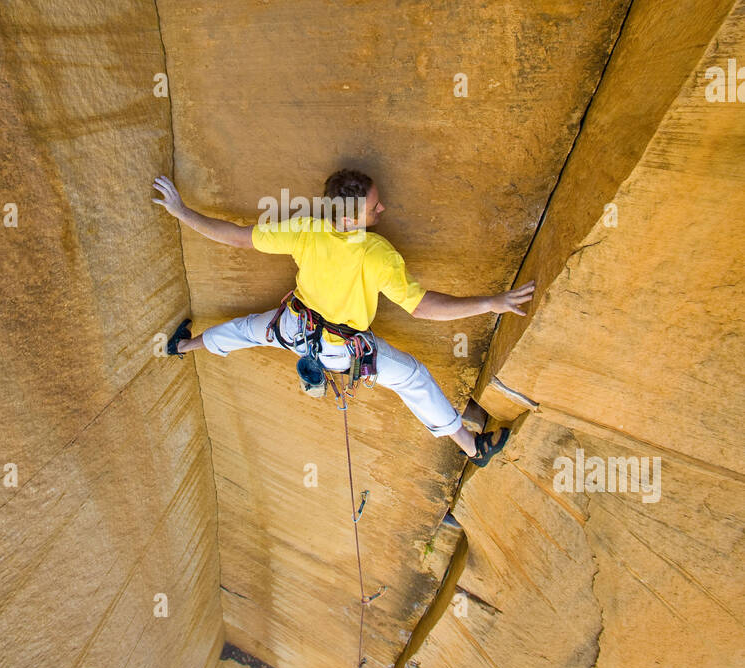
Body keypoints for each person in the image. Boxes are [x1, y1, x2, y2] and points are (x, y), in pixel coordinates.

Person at [151, 168, 535, 462]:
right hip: (341, 350)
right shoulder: (376, 252)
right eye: (374, 207)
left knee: (246, 330)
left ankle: (182, 345)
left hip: (293, 326)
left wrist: (181, 211)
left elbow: (235, 235)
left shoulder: (306, 229)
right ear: (350, 218)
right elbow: (423, 307)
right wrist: (490, 302)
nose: (382, 208)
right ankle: (471, 448)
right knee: (413, 377)